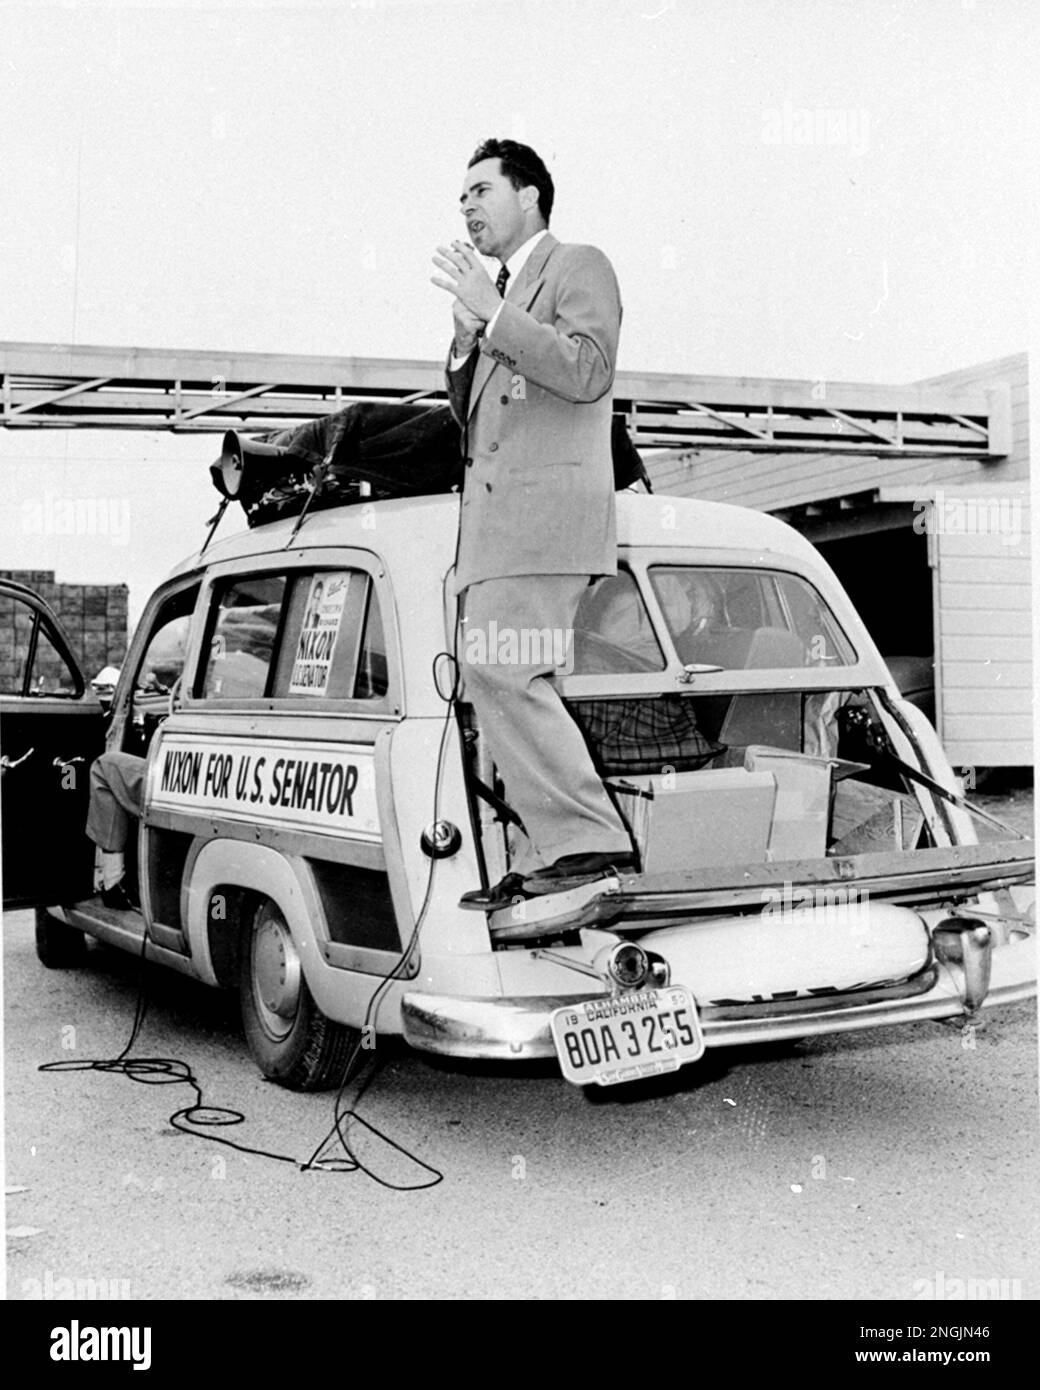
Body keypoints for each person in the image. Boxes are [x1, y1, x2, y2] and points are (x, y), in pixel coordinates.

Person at [431, 138, 635, 909]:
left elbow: (586, 371)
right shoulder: (503, 294)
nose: (468, 207)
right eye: (463, 199)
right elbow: (471, 416)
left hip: (544, 522)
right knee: (507, 680)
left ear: (530, 197)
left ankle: (586, 840)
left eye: (482, 190)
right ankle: (544, 856)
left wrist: (494, 313)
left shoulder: (579, 265)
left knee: (500, 669)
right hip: (497, 532)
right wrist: (465, 341)